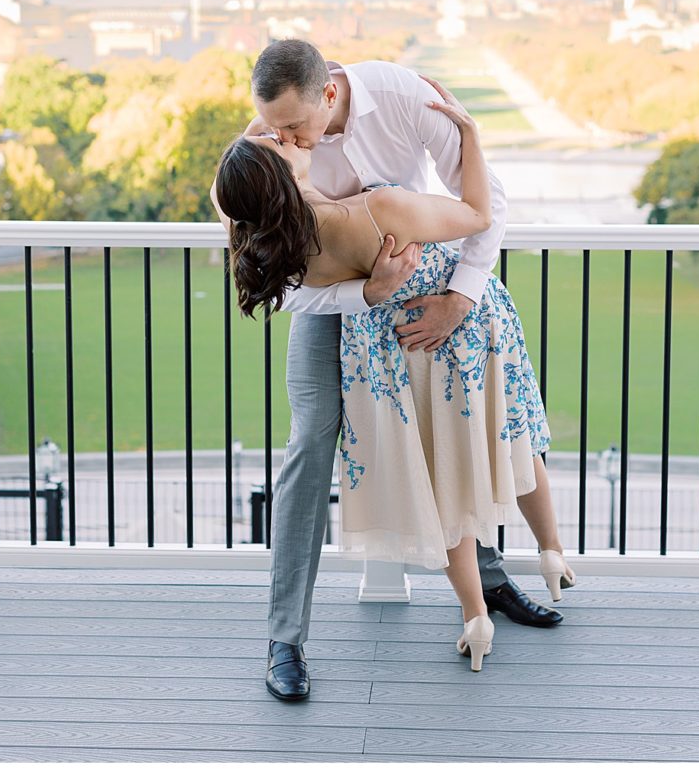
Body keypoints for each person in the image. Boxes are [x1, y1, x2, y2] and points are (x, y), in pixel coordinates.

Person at [212, 41, 570, 695]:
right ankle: (284, 641)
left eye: (293, 128)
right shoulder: (269, 140)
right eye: (271, 126)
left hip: (416, 279)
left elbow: (489, 201)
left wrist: (459, 298)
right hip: (324, 290)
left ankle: (487, 580)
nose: (281, 137)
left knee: (452, 426)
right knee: (311, 441)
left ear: (329, 94)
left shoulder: (406, 98)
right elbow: (269, 269)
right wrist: (364, 294)